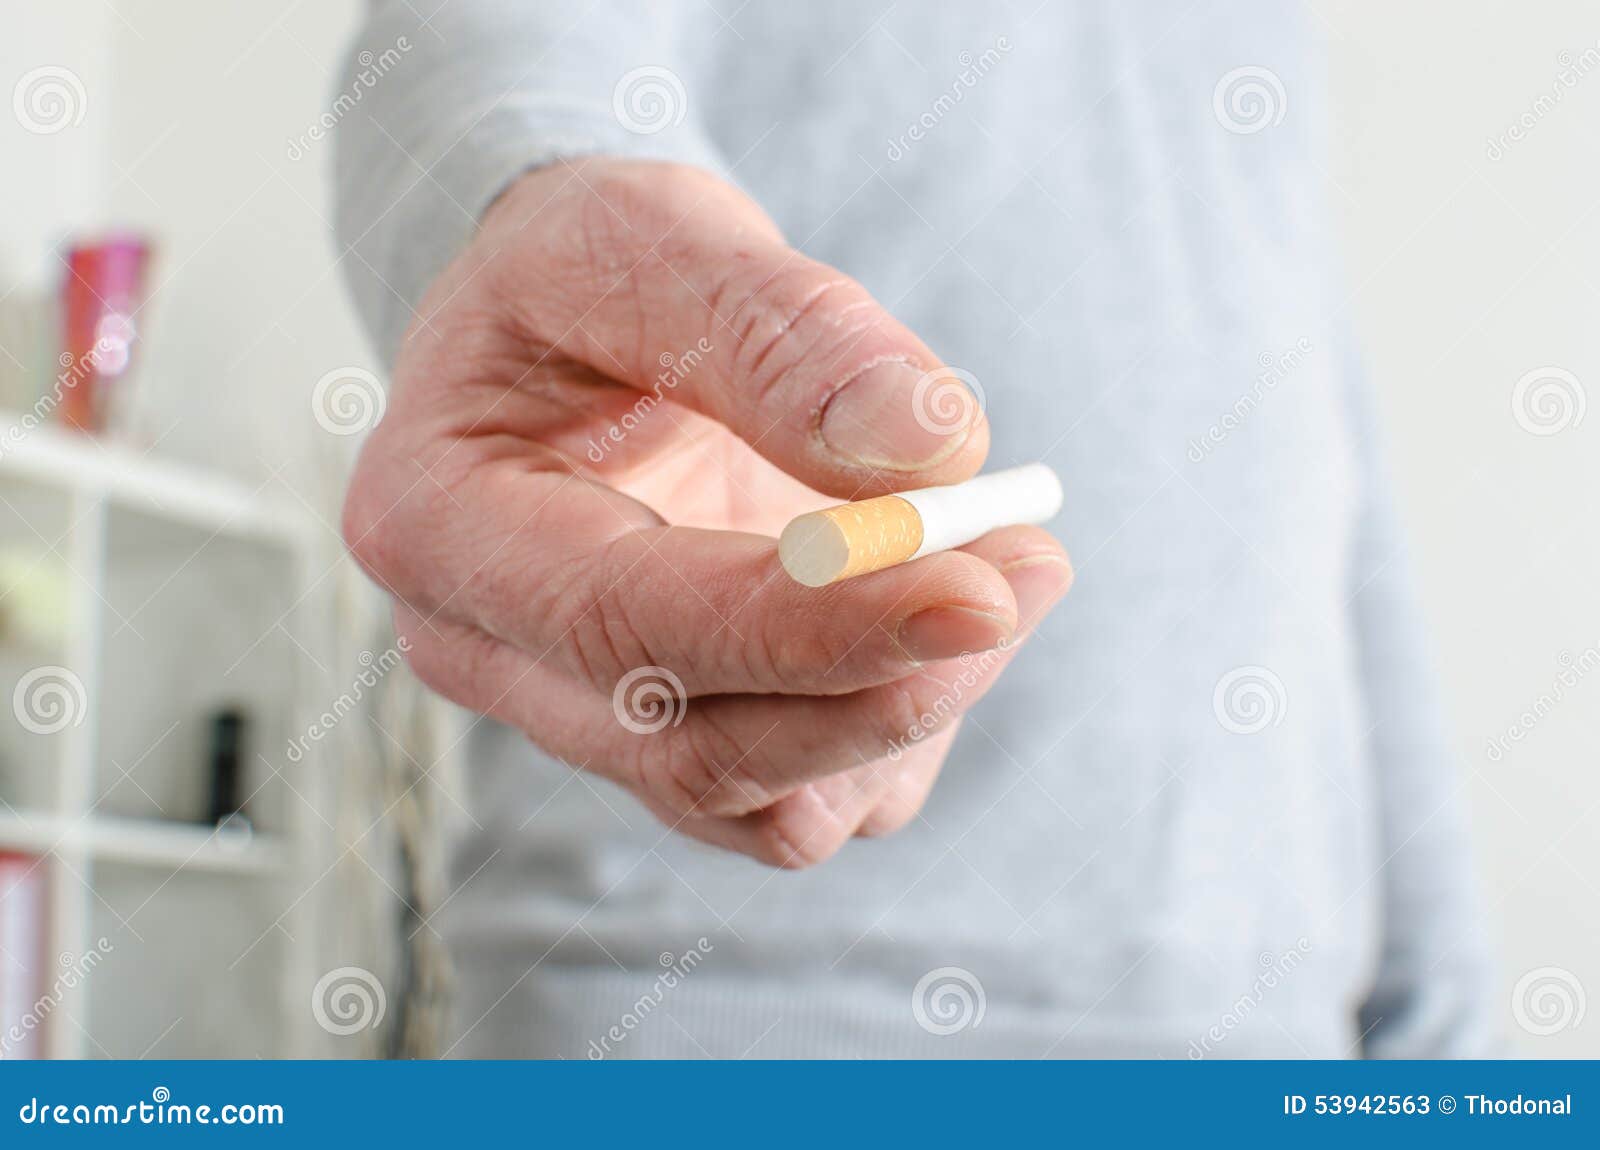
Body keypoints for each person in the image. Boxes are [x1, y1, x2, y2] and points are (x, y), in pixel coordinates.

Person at [333, 1, 1498, 1057]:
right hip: (731, 1008)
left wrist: (1441, 1008)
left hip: (1262, 1029)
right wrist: (534, 182)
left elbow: (1320, 470)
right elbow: (502, 40)